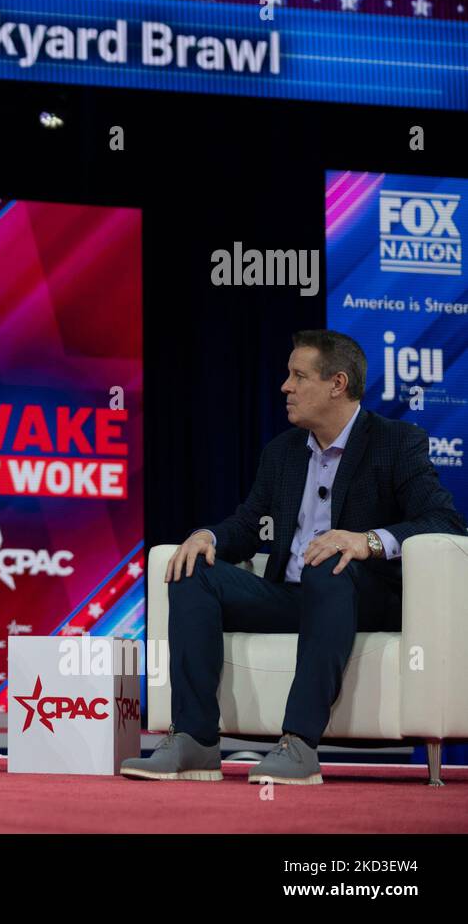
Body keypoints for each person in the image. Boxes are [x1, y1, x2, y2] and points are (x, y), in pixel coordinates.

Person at [122, 329, 466, 785]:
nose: (285, 386)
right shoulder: (282, 452)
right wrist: (208, 537)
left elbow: (445, 522)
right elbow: (247, 528)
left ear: (337, 384)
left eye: (298, 376)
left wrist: (367, 541)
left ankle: (299, 744)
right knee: (192, 572)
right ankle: (195, 741)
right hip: (292, 596)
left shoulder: (395, 443)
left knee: (325, 562)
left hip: (361, 596)